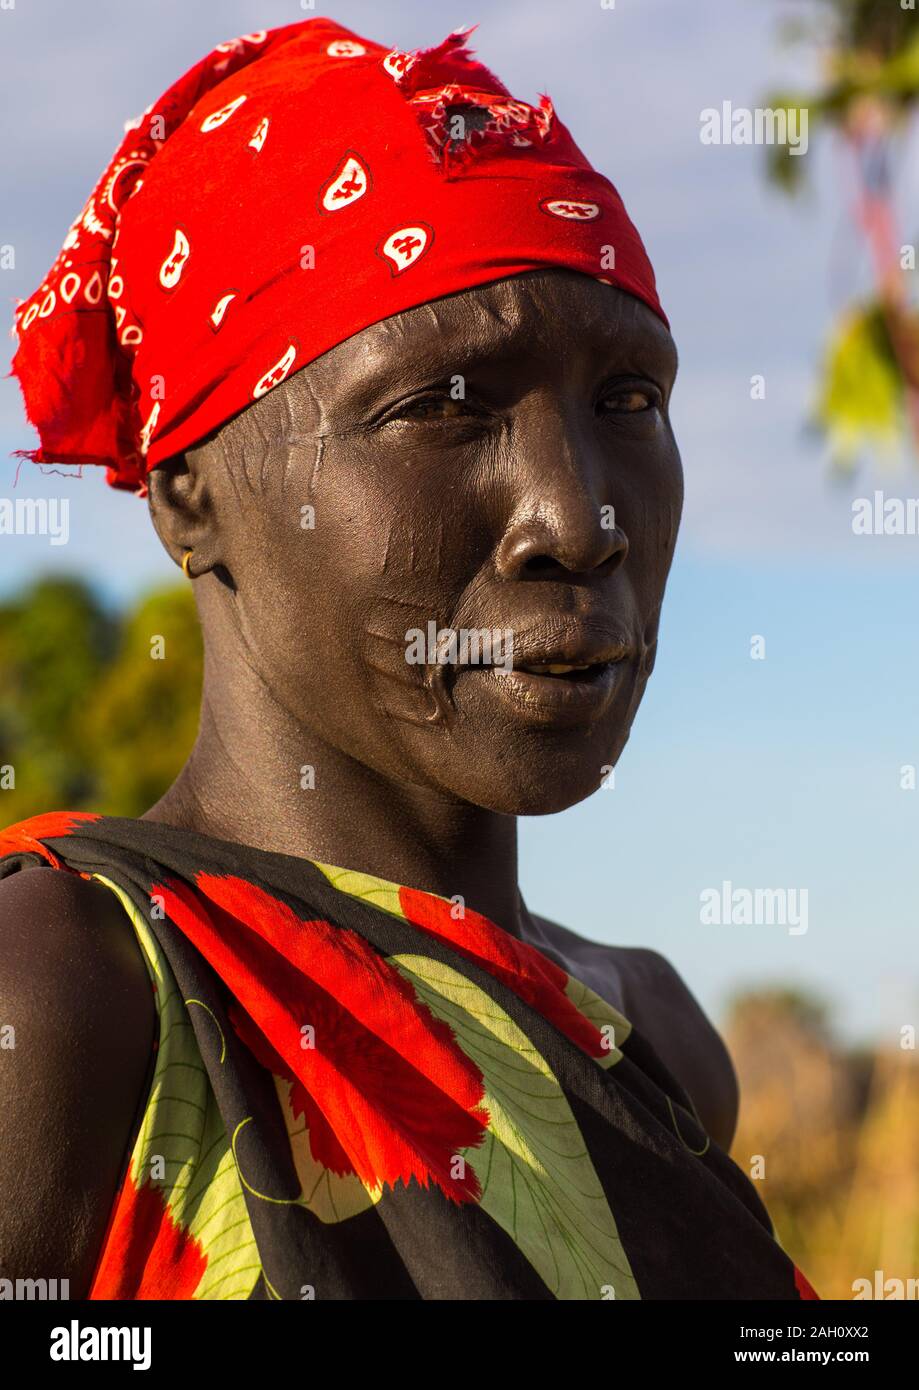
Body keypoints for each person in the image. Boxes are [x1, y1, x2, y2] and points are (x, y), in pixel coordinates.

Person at [0, 16, 818, 1300]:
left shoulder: (654, 1038)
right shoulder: (64, 1010)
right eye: (440, 404)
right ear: (187, 496)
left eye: (627, 401)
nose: (578, 517)